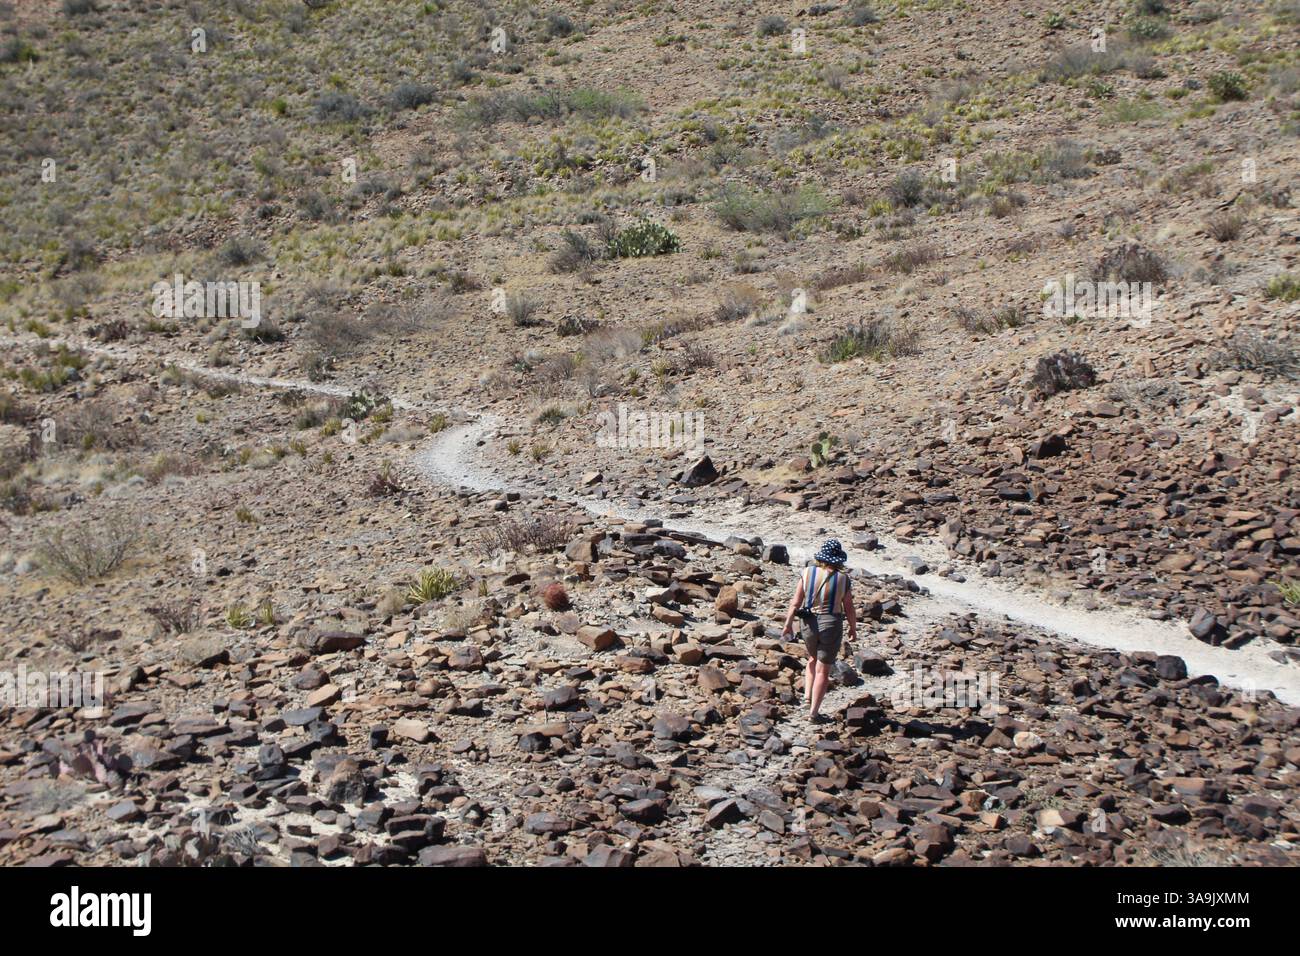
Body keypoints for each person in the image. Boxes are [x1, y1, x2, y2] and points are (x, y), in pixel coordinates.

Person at [781, 539, 857, 722]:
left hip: (807, 623)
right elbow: (849, 607)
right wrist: (853, 627)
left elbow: (795, 602)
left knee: (812, 658)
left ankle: (807, 697)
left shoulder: (807, 572)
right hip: (831, 623)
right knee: (824, 668)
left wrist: (788, 624)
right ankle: (814, 713)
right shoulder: (843, 579)